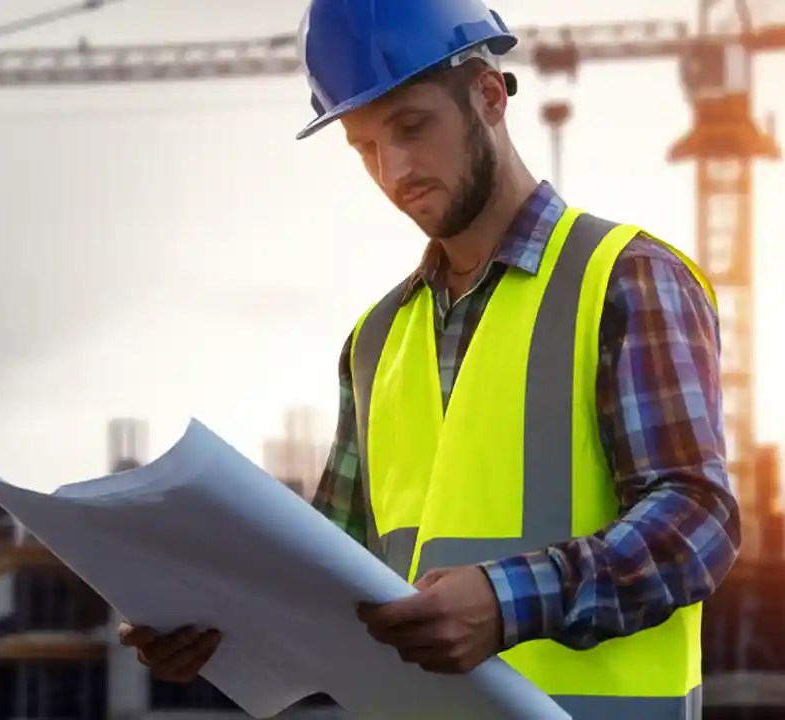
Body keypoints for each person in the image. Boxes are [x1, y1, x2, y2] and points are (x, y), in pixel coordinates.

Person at [120, 0, 742, 716]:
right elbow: (329, 578)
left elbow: (698, 522)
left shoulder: (625, 279)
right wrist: (215, 622)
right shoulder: (376, 342)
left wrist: (507, 604)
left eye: (411, 128)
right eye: (365, 148)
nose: (396, 171)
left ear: (486, 97)